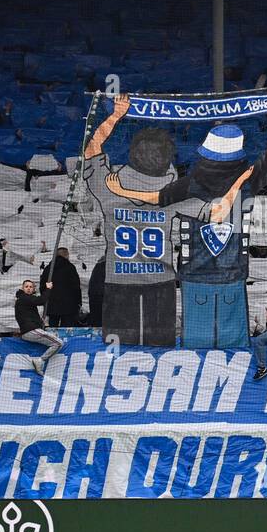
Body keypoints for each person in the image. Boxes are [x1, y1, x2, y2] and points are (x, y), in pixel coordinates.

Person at [107, 93, 267, 349]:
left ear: (205, 155)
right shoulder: (247, 180)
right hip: (232, 273)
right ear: (238, 157)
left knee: (195, 344)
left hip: (194, 274)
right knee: (234, 346)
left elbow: (155, 197)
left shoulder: (190, 184)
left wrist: (123, 191)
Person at [81, 93, 181, 346]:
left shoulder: (108, 188)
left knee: (118, 350)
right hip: (161, 283)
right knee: (160, 351)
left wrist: (116, 114)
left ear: (132, 155)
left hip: (120, 280)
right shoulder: (173, 193)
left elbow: (91, 150)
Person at [14, 279, 63, 375]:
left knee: (55, 340)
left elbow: (28, 315)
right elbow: (41, 300)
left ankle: (40, 361)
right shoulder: (24, 298)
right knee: (59, 343)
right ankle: (40, 360)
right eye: (26, 286)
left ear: (33, 289)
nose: (28, 288)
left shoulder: (25, 300)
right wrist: (48, 289)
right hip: (31, 331)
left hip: (30, 331)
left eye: (30, 287)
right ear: (22, 288)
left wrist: (40, 322)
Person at [41, 247, 82, 328]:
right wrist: (78, 302)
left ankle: (53, 340)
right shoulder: (70, 267)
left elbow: (42, 286)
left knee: (53, 327)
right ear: (66, 255)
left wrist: (46, 299)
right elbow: (76, 286)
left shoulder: (48, 268)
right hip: (69, 305)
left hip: (52, 304)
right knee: (67, 328)